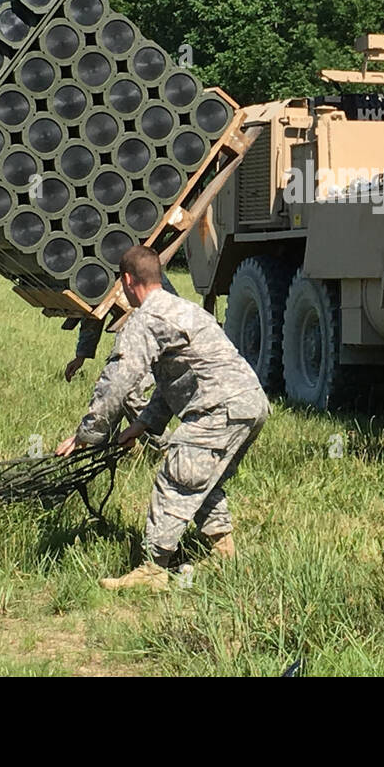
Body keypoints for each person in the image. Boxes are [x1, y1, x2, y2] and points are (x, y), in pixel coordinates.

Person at [56, 246, 269, 590]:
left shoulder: (146, 319)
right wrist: (142, 425)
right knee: (202, 478)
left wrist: (88, 433)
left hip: (218, 410)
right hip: (250, 405)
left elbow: (117, 380)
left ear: (126, 281)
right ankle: (224, 552)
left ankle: (154, 568)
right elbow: (174, 380)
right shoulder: (183, 308)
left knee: (177, 477)